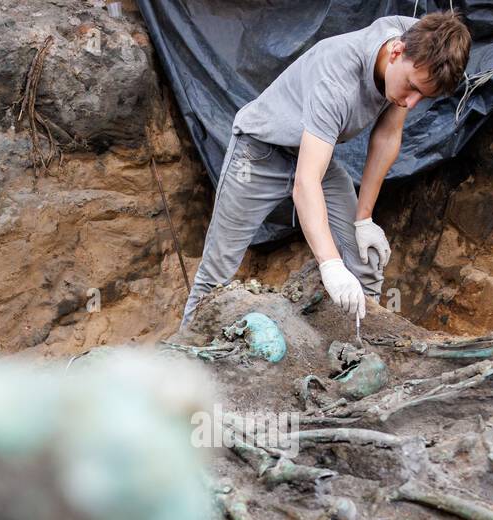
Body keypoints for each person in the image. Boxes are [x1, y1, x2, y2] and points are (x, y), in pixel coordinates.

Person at [180, 11, 471, 330]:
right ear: (396, 52)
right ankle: (184, 357)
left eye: (423, 96)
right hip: (260, 153)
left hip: (310, 152)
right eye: (411, 88)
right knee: (216, 273)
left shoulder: (419, 40)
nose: (410, 103)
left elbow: (387, 135)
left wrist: (364, 218)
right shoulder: (337, 77)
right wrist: (331, 265)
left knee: (365, 258)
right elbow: (306, 184)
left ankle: (364, 340)